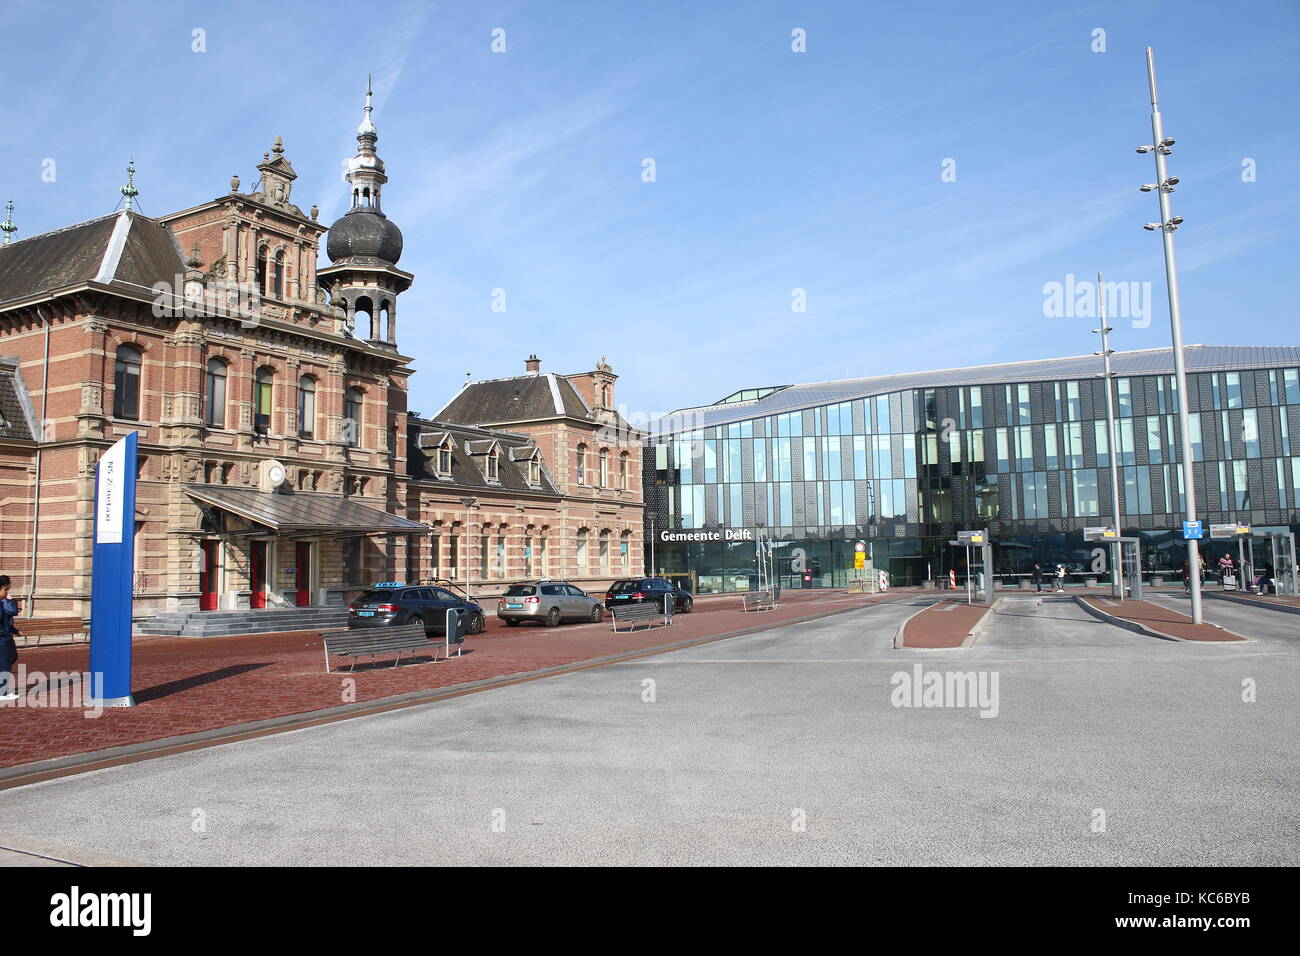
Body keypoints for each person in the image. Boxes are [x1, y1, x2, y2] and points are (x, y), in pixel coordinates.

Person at [0, 576, 20, 701]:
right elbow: (12, 612)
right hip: (2, 638)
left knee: (11, 657)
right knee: (5, 664)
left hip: (5, 635)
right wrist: (10, 600)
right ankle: (3, 692)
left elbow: (6, 620)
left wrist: (14, 630)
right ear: (4, 586)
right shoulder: (3, 601)